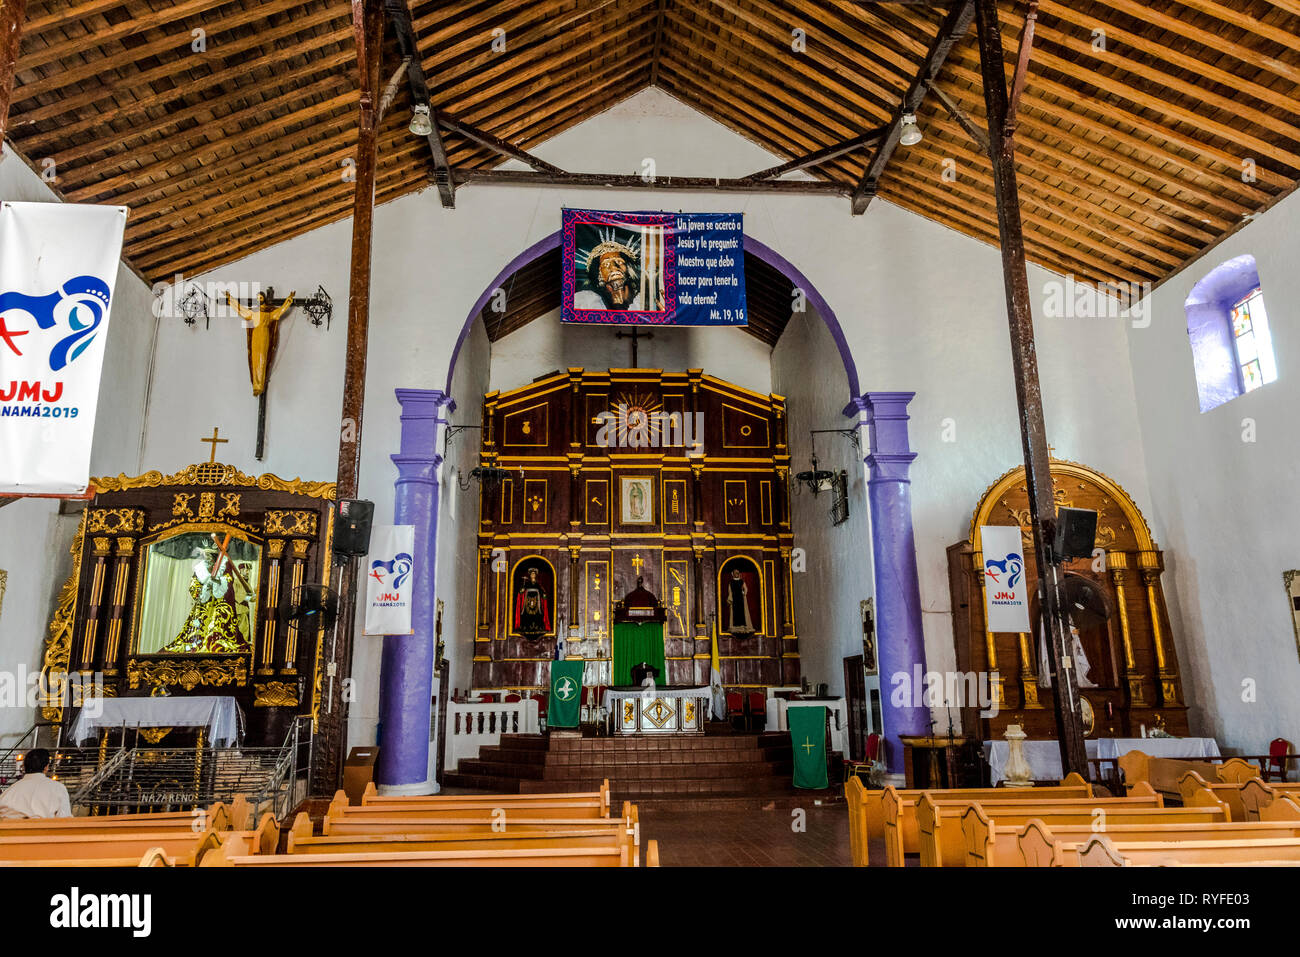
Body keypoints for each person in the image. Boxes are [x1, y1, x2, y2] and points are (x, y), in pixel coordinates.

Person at [0, 749, 72, 820]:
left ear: (24, 767)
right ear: (46, 767)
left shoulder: (9, 791)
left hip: (10, 830)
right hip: (45, 830)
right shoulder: (58, 788)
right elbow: (64, 819)